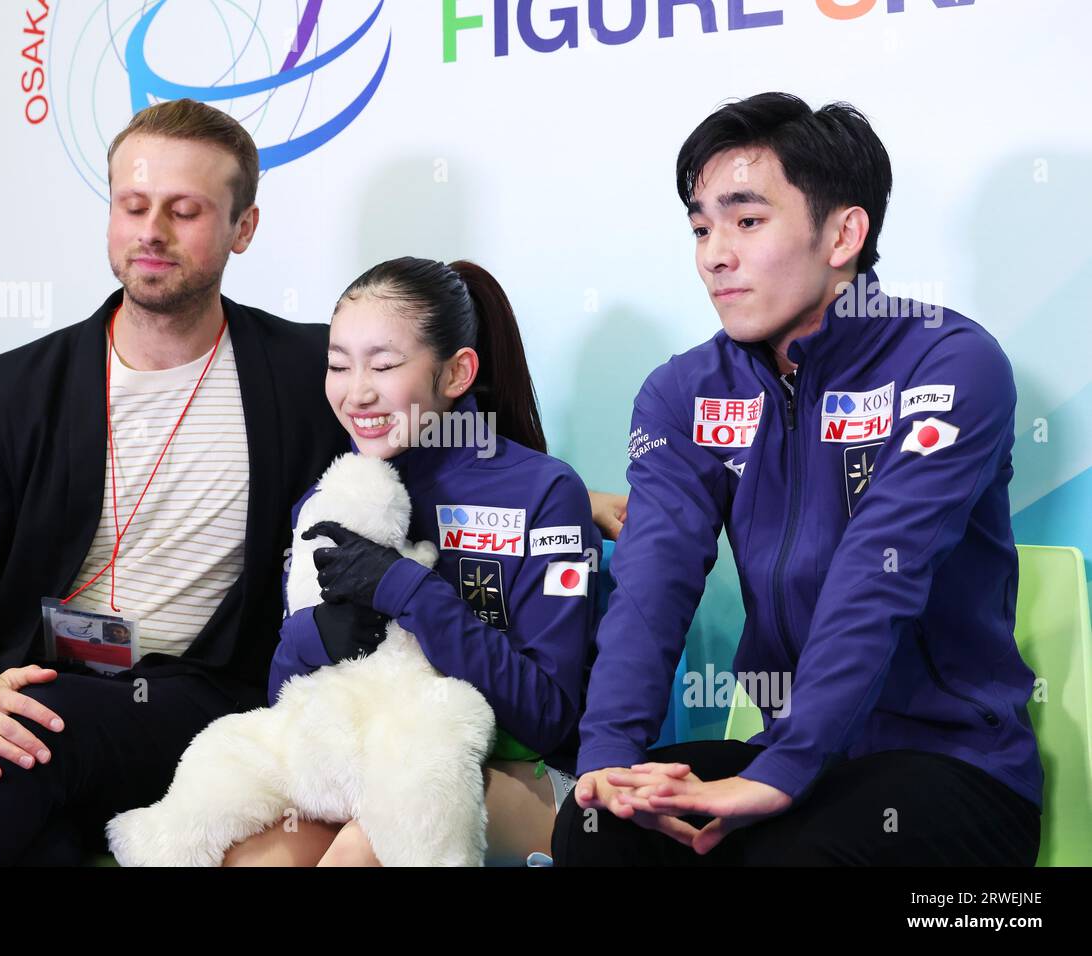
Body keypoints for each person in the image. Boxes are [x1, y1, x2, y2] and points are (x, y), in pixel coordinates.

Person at [553, 93, 1043, 866]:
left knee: (791, 860)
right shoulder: (683, 393)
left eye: (747, 221)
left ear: (843, 233)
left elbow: (877, 572)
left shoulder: (948, 362)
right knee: (598, 832)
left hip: (951, 766)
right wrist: (608, 758)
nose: (715, 253)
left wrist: (783, 771)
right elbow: (653, 583)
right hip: (790, 747)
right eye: (701, 226)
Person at [0, 99, 347, 865]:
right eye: (133, 205)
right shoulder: (17, 387)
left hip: (207, 707)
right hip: (37, 704)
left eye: (184, 211)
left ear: (243, 229)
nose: (151, 231)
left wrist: (566, 493)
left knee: (41, 732)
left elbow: (434, 422)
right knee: (38, 829)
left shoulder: (309, 371)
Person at [221, 257, 601, 866]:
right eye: (338, 364)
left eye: (384, 364)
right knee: (254, 856)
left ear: (456, 372)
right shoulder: (329, 499)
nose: (356, 391)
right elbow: (288, 710)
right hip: (362, 769)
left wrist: (410, 592)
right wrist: (309, 638)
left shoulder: (545, 492)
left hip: (518, 776)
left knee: (373, 840)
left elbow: (549, 717)